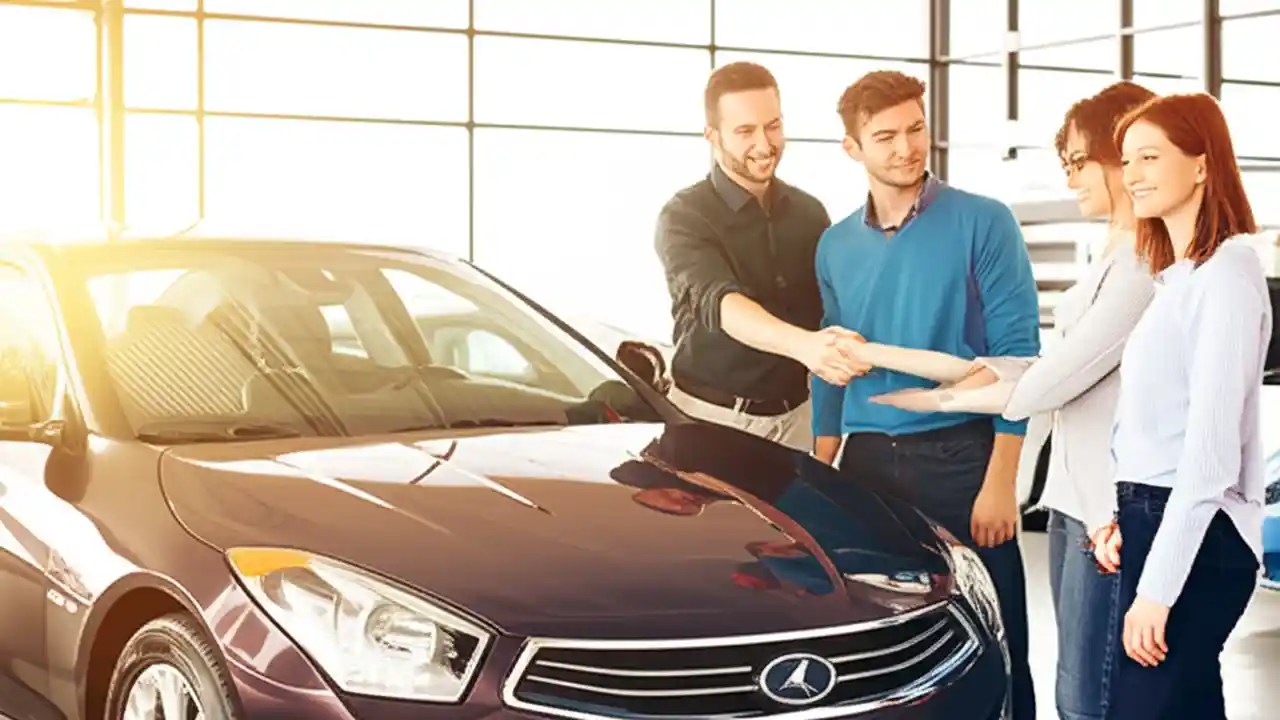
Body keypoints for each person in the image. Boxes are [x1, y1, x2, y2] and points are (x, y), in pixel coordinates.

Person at [850, 81, 1160, 720]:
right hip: (1075, 503)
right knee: (1078, 686)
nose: (1070, 177)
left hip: (1103, 508)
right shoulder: (1114, 253)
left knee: (1086, 696)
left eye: (1078, 161)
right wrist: (884, 361)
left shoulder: (1137, 264)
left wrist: (935, 407)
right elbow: (1027, 372)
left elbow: (1041, 378)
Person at [810, 70, 1041, 719]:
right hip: (866, 467)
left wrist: (1002, 481)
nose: (907, 147)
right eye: (885, 136)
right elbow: (828, 367)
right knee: (881, 642)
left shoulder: (983, 222)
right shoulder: (833, 245)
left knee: (997, 638)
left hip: (961, 459)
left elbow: (1019, 357)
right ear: (853, 148)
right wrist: (822, 470)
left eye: (916, 128)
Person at [1089, 93, 1272, 720]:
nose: (1131, 174)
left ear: (1202, 164)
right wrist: (1126, 511)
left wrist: (1158, 589)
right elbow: (1156, 426)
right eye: (1125, 159)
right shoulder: (1181, 280)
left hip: (1199, 538)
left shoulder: (1227, 273)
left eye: (1150, 156)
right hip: (1161, 518)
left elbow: (1211, 455)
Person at [654, 61, 865, 452]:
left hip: (798, 419)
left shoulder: (809, 212)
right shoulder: (683, 216)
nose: (765, 145)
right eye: (745, 131)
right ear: (712, 136)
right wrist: (805, 347)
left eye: (773, 126)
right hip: (711, 418)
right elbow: (721, 304)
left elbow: (834, 310)